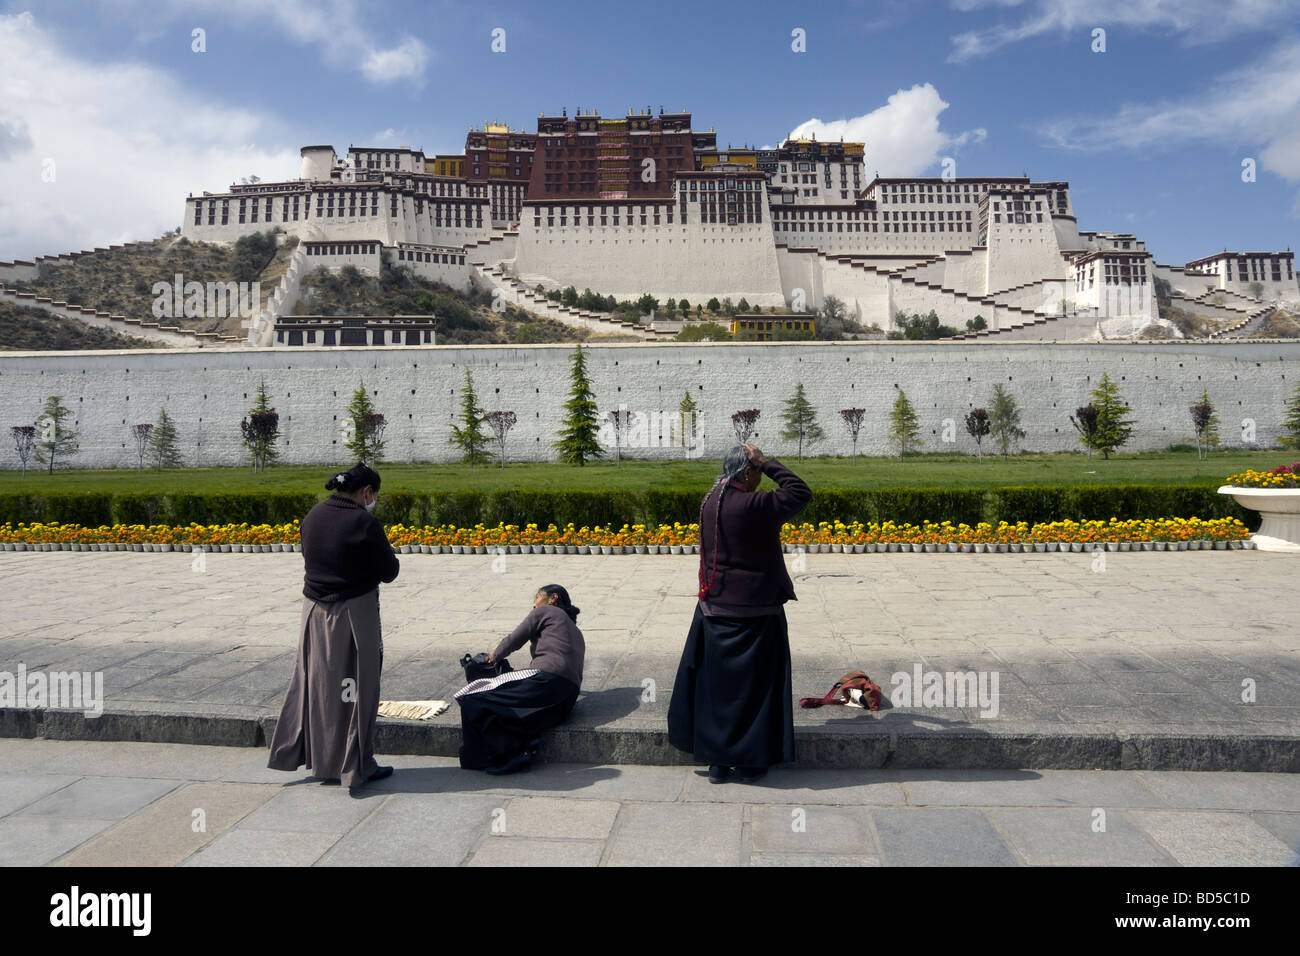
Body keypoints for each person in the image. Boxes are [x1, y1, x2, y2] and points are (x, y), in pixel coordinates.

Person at [668, 443, 812, 784]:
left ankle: (718, 762)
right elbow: (800, 492)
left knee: (717, 690)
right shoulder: (756, 504)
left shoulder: (709, 501)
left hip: (714, 607)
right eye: (758, 473)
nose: (761, 479)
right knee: (755, 692)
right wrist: (767, 461)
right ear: (747, 472)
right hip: (756, 612)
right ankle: (750, 762)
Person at [267, 462, 400, 791]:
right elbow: (389, 570)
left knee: (318, 688)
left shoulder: (313, 516)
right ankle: (358, 764)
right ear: (366, 492)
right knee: (357, 689)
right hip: (353, 614)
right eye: (374, 496)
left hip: (313, 613)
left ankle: (319, 758)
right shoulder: (363, 522)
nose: (373, 502)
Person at [456, 584, 585, 775]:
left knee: (472, 699)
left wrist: (493, 656)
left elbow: (515, 639)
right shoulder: (576, 631)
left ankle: (508, 753)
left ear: (553, 598)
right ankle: (522, 745)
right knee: (503, 707)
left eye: (537, 598)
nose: (534, 605)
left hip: (546, 681)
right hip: (565, 701)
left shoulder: (546, 611)